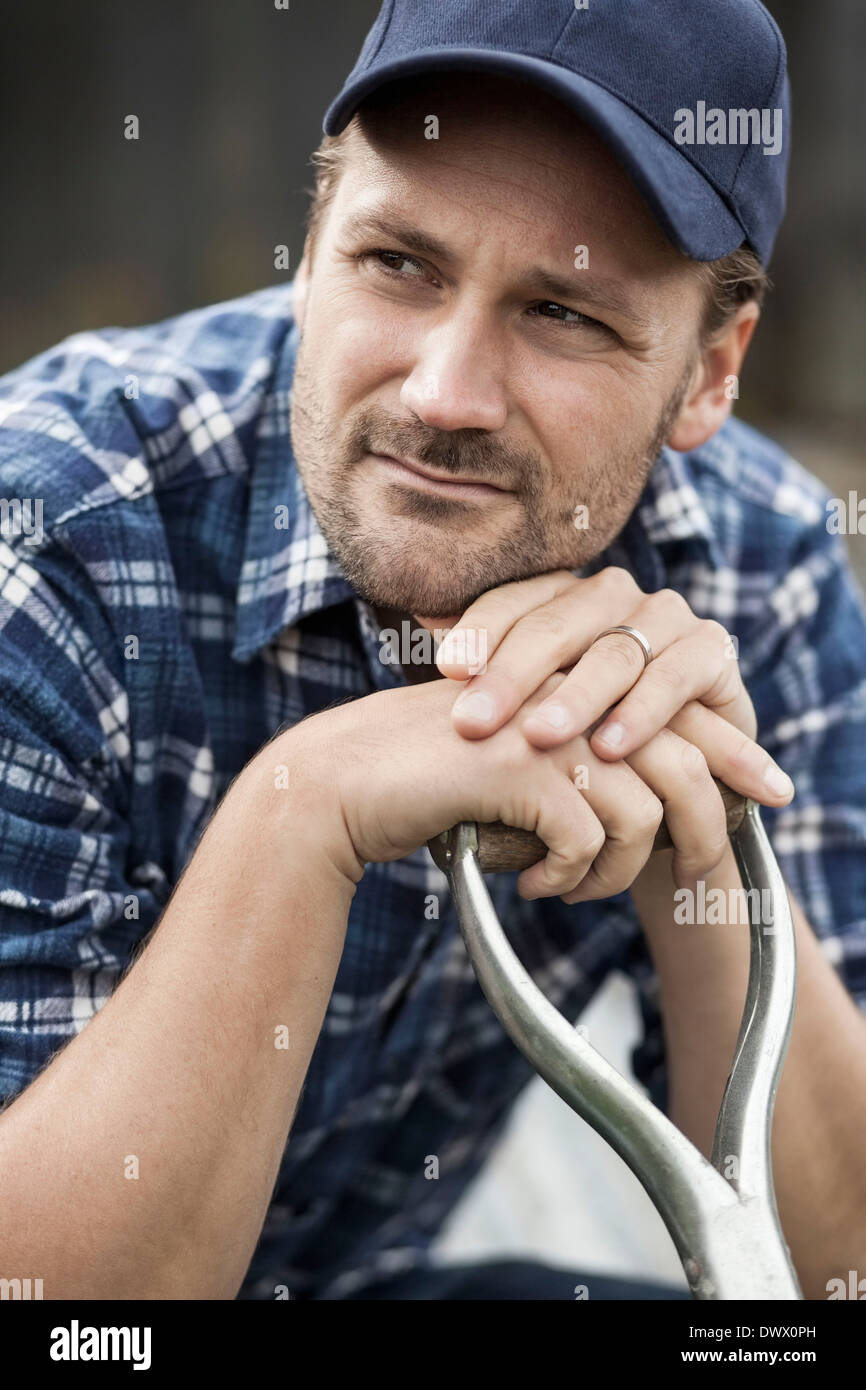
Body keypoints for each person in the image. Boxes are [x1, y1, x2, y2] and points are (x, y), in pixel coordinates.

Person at [0, 0, 864, 1303]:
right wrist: (300, 815)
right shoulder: (53, 524)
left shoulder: (756, 564)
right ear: (312, 248)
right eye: (397, 262)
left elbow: (831, 1265)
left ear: (708, 371)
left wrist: (695, 806)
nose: (442, 395)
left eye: (563, 310)